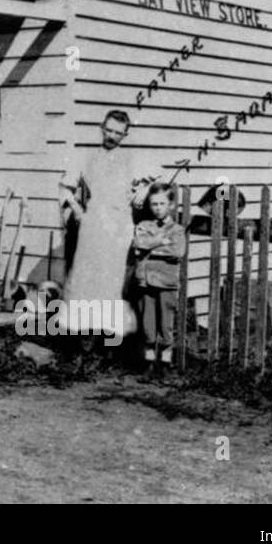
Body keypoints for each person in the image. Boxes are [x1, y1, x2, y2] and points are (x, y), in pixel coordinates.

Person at [59, 109, 151, 339]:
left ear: (125, 135)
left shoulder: (132, 158)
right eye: (108, 130)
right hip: (95, 221)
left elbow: (155, 180)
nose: (111, 136)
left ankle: (110, 335)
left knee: (114, 277)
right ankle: (83, 334)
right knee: (88, 275)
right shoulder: (86, 156)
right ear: (101, 129)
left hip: (120, 223)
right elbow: (65, 188)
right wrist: (78, 211)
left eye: (118, 133)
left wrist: (143, 190)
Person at [131, 183, 187, 363]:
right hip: (145, 281)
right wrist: (162, 242)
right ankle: (148, 360)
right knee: (147, 323)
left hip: (167, 281)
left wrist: (151, 248)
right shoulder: (143, 225)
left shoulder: (177, 230)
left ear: (170, 205)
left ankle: (165, 361)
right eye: (154, 204)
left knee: (166, 323)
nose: (158, 208)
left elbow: (177, 252)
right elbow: (138, 244)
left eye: (162, 204)